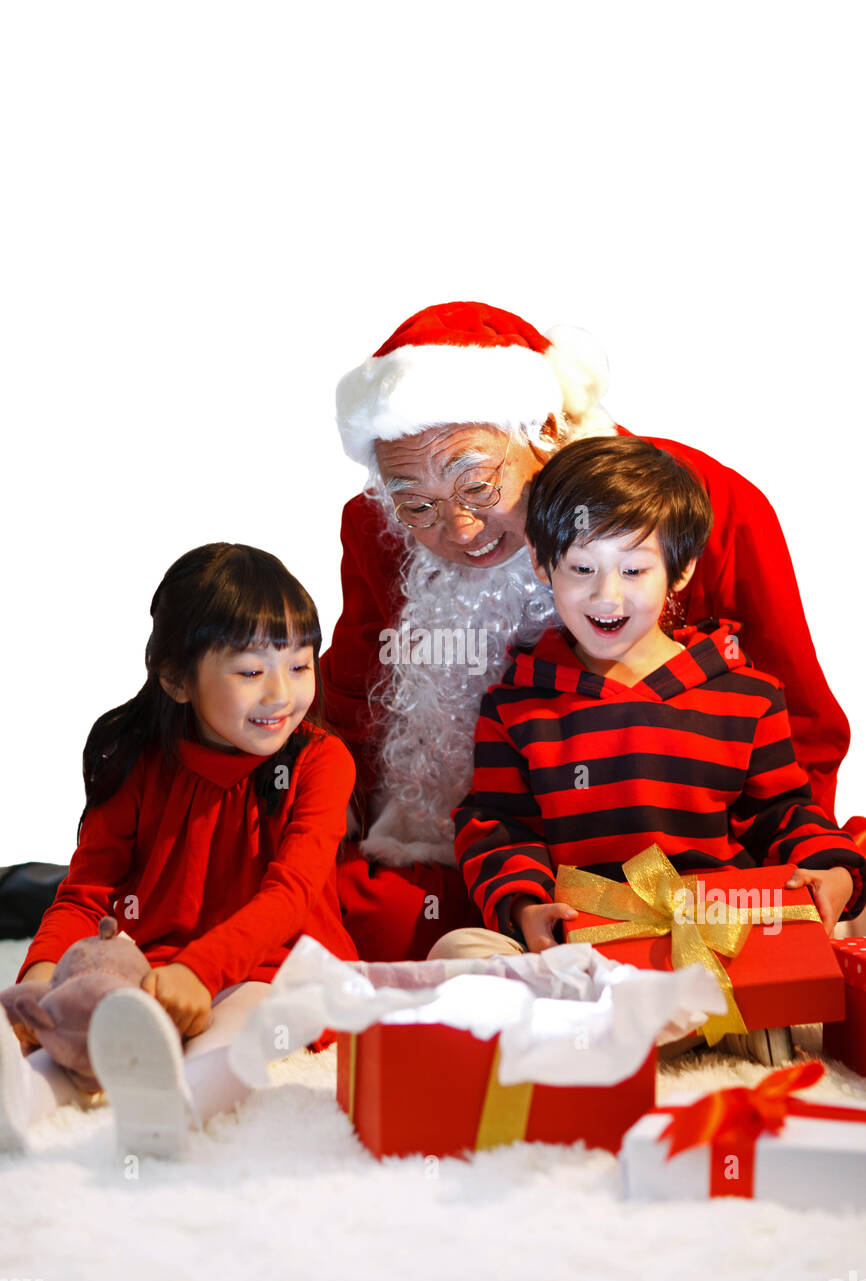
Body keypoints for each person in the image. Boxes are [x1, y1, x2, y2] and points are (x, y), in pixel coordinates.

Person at [323, 301, 858, 961]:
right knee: (372, 922)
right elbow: (348, 701)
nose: (458, 531)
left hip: (700, 859)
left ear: (547, 428)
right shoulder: (374, 530)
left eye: (477, 485)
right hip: (500, 854)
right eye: (416, 503)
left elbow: (797, 735)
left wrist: (796, 880)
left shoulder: (707, 503)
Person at [432, 436, 865, 1060]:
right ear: (540, 564)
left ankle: (729, 1018)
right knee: (458, 956)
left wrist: (833, 871)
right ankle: (618, 1037)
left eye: (634, 570)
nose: (606, 597)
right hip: (587, 958)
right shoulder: (516, 707)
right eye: (582, 569)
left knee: (841, 910)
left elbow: (783, 810)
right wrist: (525, 906)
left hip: (720, 940)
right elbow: (499, 826)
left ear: (681, 570)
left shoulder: (747, 696)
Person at [0, 543, 357, 1157]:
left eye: (300, 666)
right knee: (81, 1021)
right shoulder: (136, 757)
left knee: (235, 1024)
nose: (281, 694)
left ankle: (176, 1113)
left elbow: (289, 898)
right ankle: (25, 1100)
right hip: (158, 960)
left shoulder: (322, 761)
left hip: (276, 962)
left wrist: (201, 971)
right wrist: (40, 983)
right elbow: (86, 893)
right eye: (251, 672)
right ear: (176, 679)